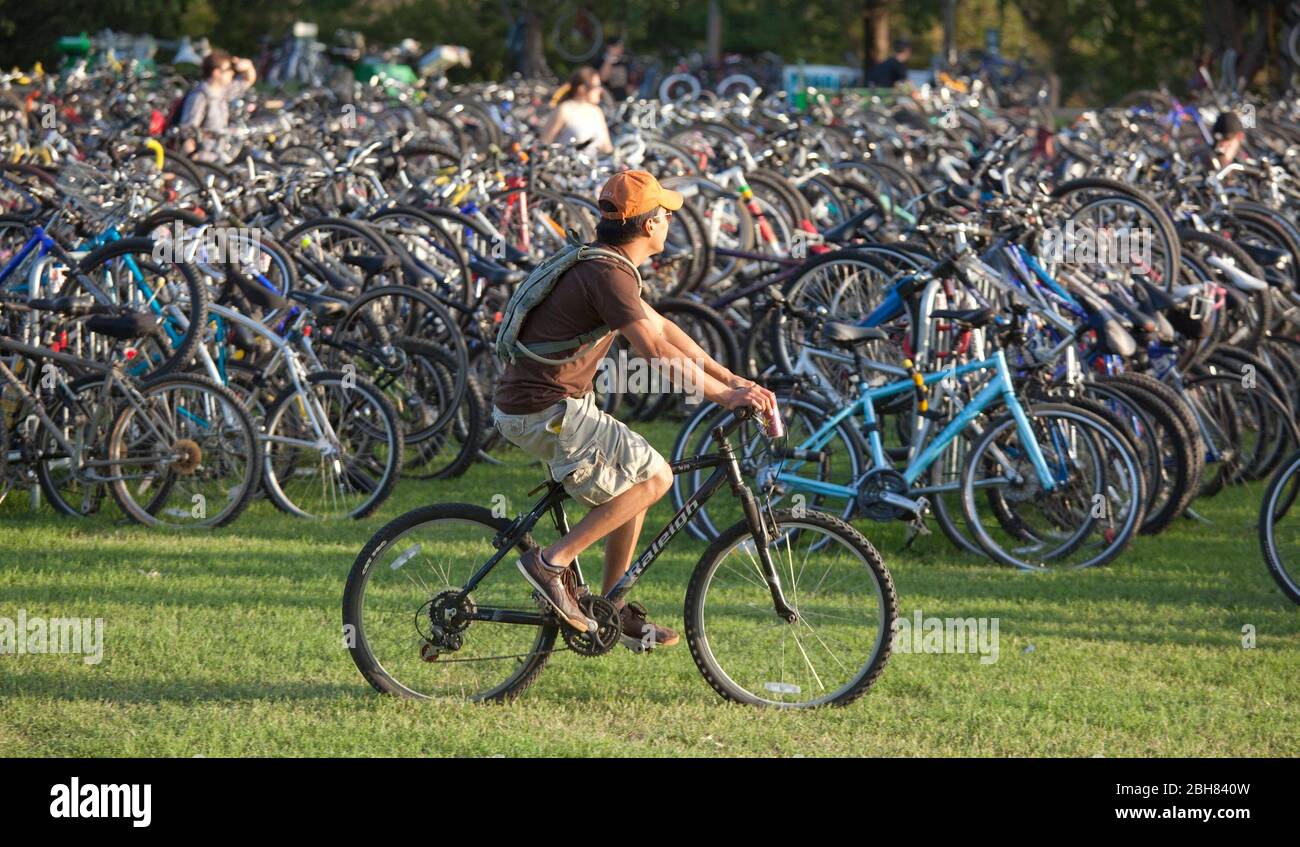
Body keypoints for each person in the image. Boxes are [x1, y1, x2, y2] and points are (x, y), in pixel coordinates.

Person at [491, 170, 776, 647]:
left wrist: (732, 379)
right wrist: (724, 398)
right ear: (648, 225)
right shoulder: (608, 274)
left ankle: (610, 608)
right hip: (544, 409)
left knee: (634, 481)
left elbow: (665, 330)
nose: (669, 222)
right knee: (657, 476)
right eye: (665, 215)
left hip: (543, 404)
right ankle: (549, 564)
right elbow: (653, 351)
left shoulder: (608, 266)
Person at [179, 49, 256, 160]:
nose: (233, 73)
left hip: (217, 153)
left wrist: (247, 65)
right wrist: (193, 163)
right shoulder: (199, 96)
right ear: (216, 72)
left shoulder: (223, 91)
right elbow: (187, 132)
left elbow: (248, 80)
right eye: (229, 69)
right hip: (203, 157)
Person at [539, 67, 613, 154]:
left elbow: (607, 148)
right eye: (596, 86)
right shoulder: (564, 109)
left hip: (592, 165)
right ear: (581, 89)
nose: (600, 90)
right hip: (567, 165)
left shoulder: (597, 112)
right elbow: (545, 143)